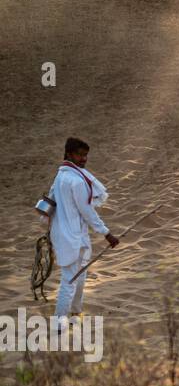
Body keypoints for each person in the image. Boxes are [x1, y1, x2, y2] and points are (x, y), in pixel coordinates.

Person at [44, 138, 117, 324]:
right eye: (79, 155)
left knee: (81, 275)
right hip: (72, 237)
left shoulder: (61, 175)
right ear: (69, 154)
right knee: (70, 280)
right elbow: (87, 211)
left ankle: (76, 313)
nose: (84, 159)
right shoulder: (76, 180)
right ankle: (59, 324)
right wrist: (107, 233)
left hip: (71, 235)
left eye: (85, 155)